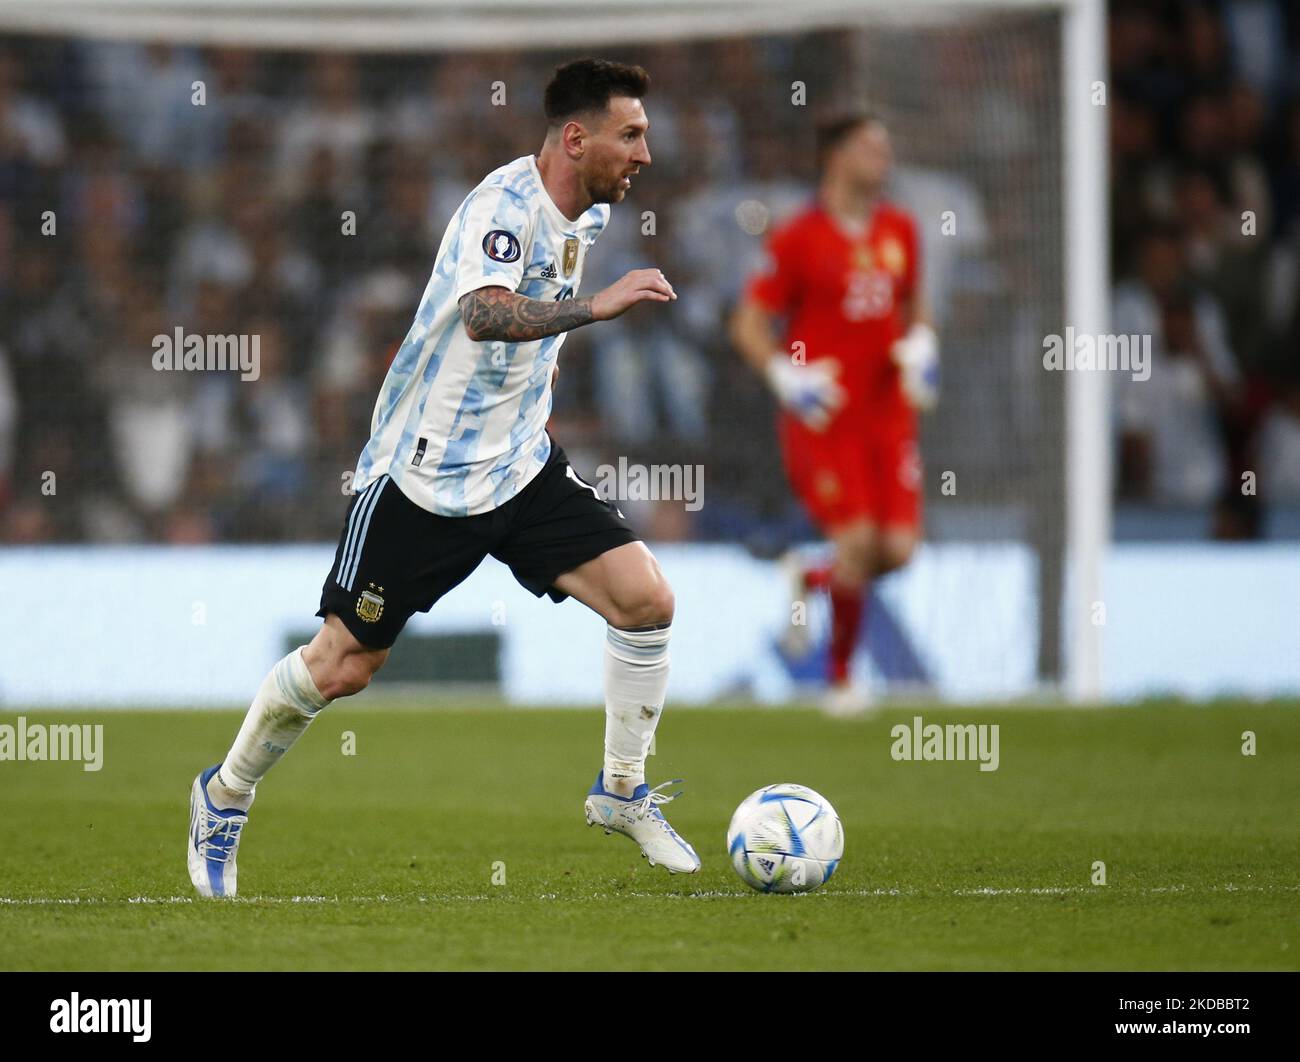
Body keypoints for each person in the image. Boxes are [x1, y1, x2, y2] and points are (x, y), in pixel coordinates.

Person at [188, 59, 700, 898]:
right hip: (425, 476)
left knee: (647, 602)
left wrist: (544, 380)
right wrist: (594, 309)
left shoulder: (589, 211)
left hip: (522, 465)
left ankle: (619, 791)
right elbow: (484, 312)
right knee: (343, 666)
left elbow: (523, 333)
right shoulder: (502, 207)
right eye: (631, 134)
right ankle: (225, 794)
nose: (646, 151)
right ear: (578, 138)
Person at [730, 113, 937, 715]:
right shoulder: (798, 238)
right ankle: (841, 680)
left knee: (897, 551)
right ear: (835, 156)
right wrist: (782, 373)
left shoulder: (902, 229)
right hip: (825, 418)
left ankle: (807, 579)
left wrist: (923, 344)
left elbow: (916, 309)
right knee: (859, 542)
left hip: (890, 415)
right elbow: (746, 323)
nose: (883, 158)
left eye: (886, 147)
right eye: (871, 147)